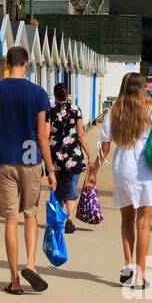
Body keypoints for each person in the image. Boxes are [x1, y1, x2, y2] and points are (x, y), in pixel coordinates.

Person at [0, 46, 55, 294]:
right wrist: (50, 169)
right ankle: (31, 264)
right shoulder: (39, 93)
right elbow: (43, 136)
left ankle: (14, 280)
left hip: (6, 161)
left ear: (7, 63)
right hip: (31, 161)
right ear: (27, 64)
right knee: (30, 214)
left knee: (11, 220)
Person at [85, 71, 152, 289]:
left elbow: (105, 147)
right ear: (143, 88)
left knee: (126, 220)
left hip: (122, 166)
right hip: (145, 169)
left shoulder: (115, 111)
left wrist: (93, 173)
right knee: (143, 224)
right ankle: (140, 277)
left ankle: (129, 266)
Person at [48, 83, 93, 233]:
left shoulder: (49, 110)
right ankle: (69, 220)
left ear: (54, 95)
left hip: (55, 155)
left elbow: (46, 132)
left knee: (59, 190)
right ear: (67, 95)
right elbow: (80, 134)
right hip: (73, 155)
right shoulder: (75, 109)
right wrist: (89, 154)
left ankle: (58, 221)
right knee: (71, 189)